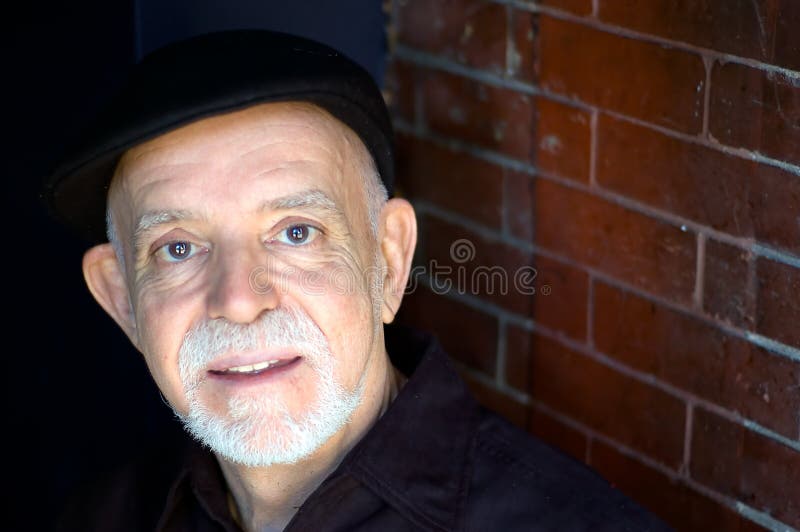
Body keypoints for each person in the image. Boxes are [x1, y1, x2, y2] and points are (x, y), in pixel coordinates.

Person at [45, 30, 669, 531]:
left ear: (389, 263)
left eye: (296, 233)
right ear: (124, 301)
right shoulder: (102, 517)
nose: (237, 300)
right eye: (178, 247)